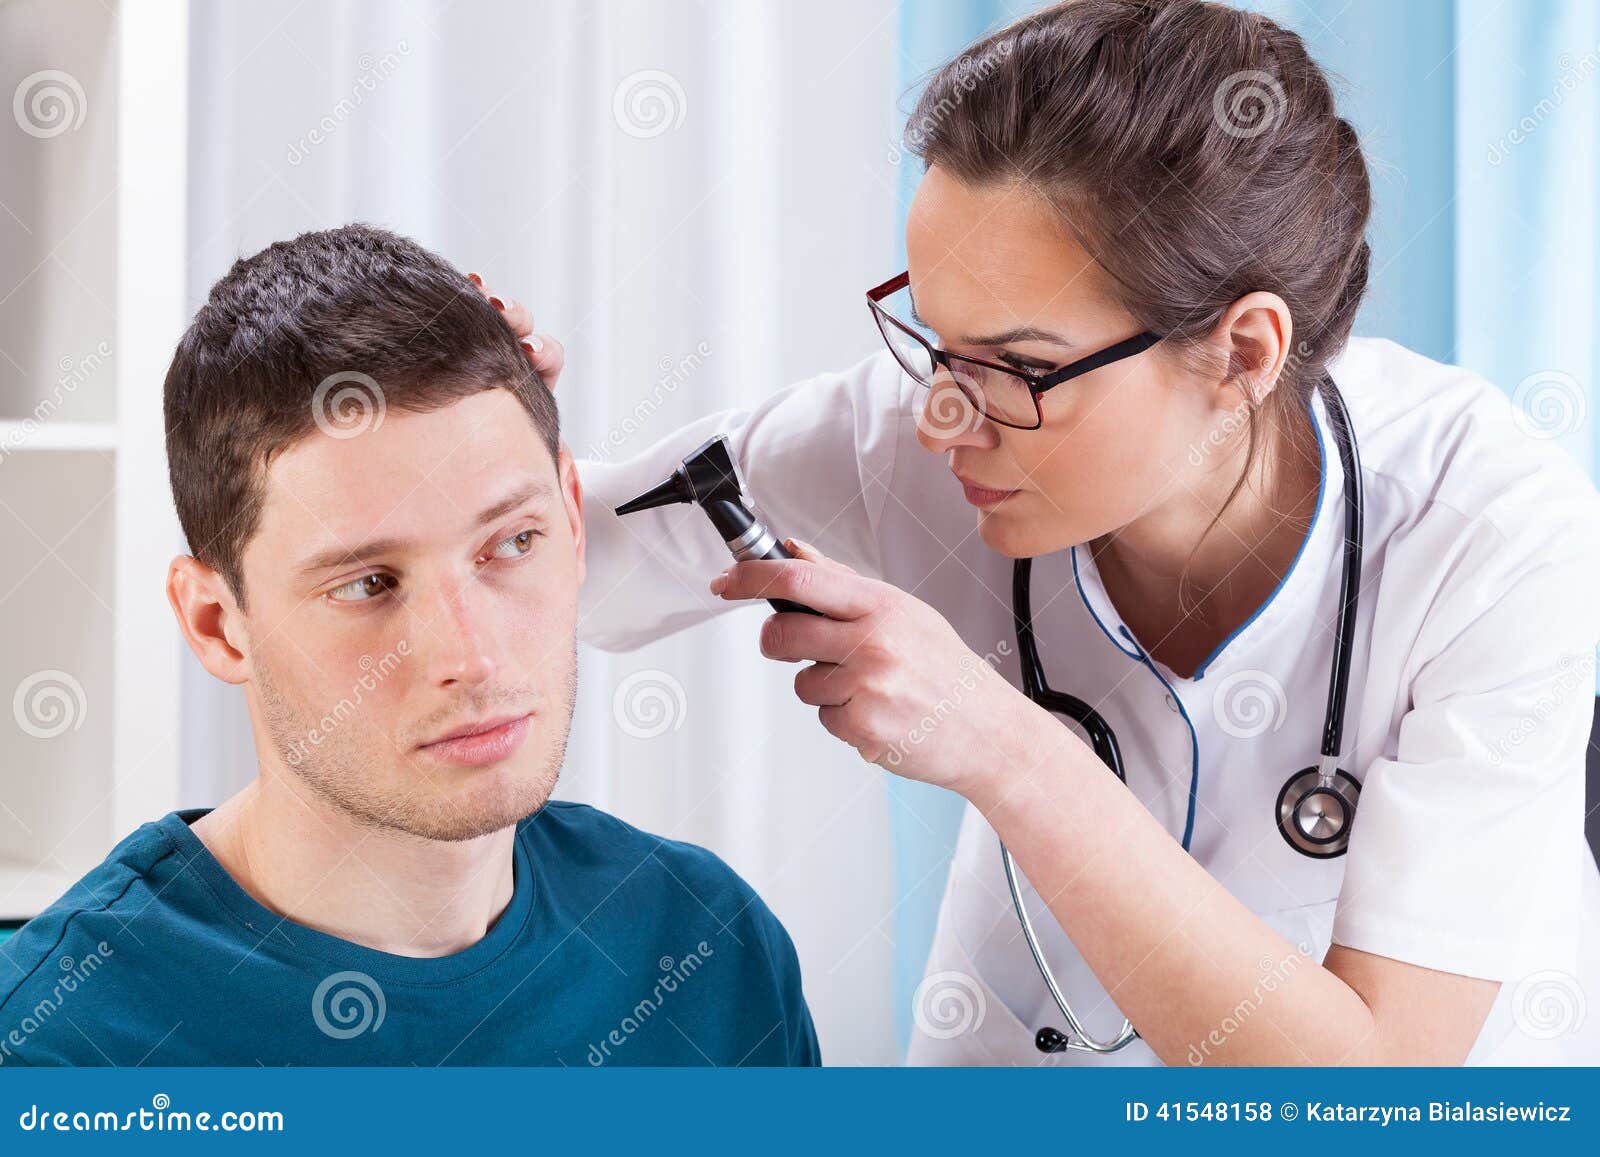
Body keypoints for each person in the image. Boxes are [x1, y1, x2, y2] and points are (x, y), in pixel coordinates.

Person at [482, 0, 1600, 1065]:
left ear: (1244, 352)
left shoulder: (1492, 534)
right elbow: (556, 565)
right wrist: (478, 430)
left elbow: (1371, 1085)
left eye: (1017, 367)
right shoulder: (894, 440)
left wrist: (1004, 746)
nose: (938, 414)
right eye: (931, 336)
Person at [0, 225, 820, 1068]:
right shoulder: (59, 1047)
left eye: (511, 543)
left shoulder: (708, 948)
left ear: (575, 522)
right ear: (216, 621)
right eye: (366, 583)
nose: (471, 654)